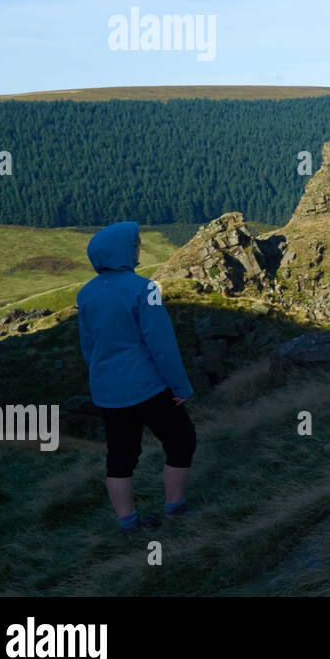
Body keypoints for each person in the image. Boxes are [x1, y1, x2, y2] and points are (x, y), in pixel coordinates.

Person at [77, 221, 196, 535]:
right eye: (135, 244)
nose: (138, 248)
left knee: (120, 456)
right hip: (149, 387)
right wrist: (180, 386)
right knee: (181, 441)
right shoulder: (146, 289)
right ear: (123, 251)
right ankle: (175, 507)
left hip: (107, 391)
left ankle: (128, 523)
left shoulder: (86, 294)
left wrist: (104, 377)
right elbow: (162, 345)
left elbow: (88, 347)